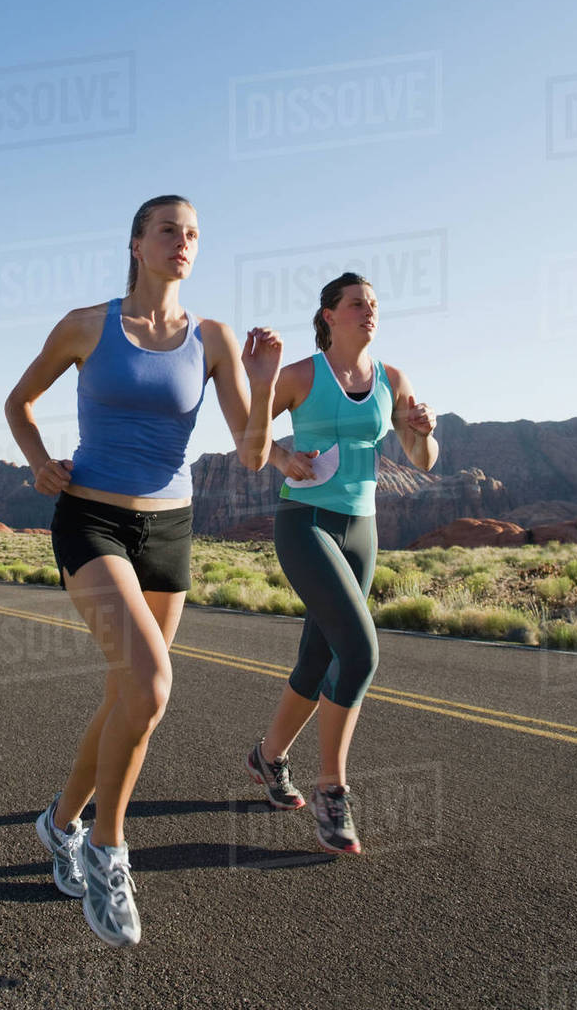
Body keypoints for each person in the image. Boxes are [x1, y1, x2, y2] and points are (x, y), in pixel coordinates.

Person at [4, 196, 281, 946]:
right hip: (91, 517)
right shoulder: (87, 325)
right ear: (136, 243)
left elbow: (252, 455)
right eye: (168, 231)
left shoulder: (216, 338)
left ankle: (59, 824)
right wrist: (37, 462)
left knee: (133, 696)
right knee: (153, 684)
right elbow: (20, 401)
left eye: (193, 235)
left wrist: (262, 378)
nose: (182, 244)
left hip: (170, 529)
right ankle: (108, 849)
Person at [245, 272, 437, 854]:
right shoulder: (302, 375)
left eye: (374, 304)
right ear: (330, 315)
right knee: (360, 651)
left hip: (363, 529)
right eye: (357, 304)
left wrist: (425, 433)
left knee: (318, 655)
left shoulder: (392, 379)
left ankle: (268, 757)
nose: (369, 312)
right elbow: (250, 448)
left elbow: (423, 459)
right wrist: (281, 452)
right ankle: (333, 790)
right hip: (305, 522)